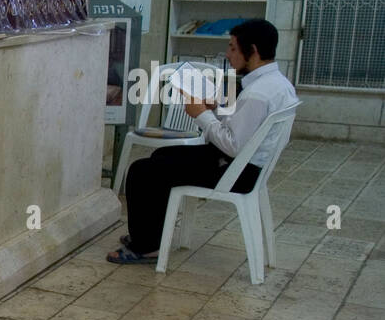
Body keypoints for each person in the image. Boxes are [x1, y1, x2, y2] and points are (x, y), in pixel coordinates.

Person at [109, 18, 297, 264]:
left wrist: (202, 115)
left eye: (232, 48)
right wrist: (216, 110)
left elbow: (232, 144)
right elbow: (245, 127)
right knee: (161, 157)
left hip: (237, 170)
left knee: (141, 171)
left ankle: (146, 247)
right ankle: (151, 235)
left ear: (253, 51)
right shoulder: (278, 84)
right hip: (248, 166)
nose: (228, 55)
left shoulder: (257, 94)